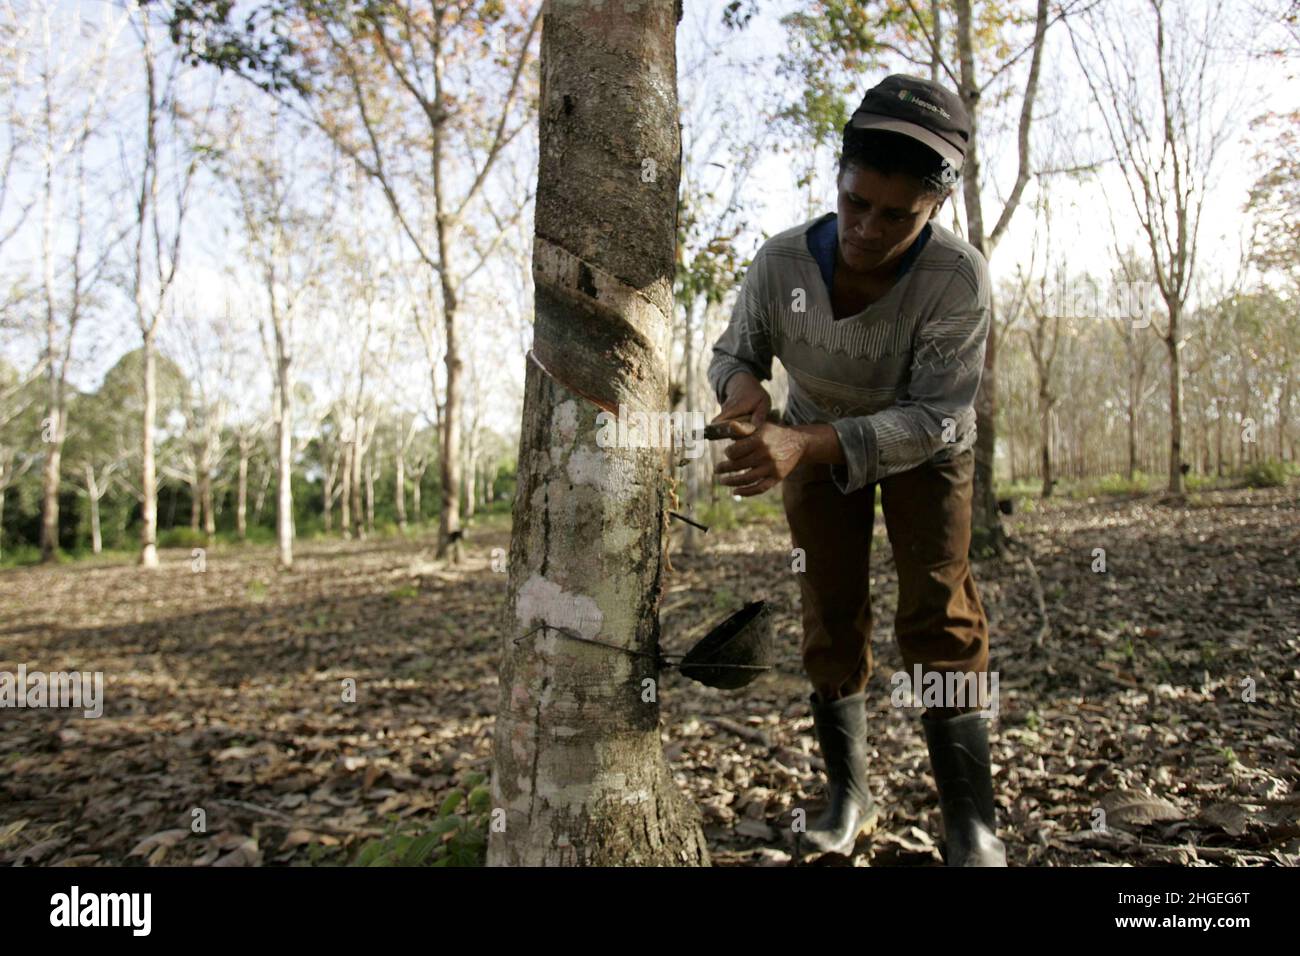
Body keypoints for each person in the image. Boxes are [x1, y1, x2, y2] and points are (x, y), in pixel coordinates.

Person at [706, 74, 1007, 866]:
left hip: (924, 451)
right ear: (837, 179)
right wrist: (744, 398)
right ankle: (849, 796)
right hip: (804, 438)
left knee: (938, 611)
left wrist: (805, 445)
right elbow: (737, 351)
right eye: (854, 202)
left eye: (896, 214)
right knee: (829, 609)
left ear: (934, 207)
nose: (867, 228)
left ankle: (970, 821)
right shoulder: (779, 264)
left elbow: (936, 415)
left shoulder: (957, 279)